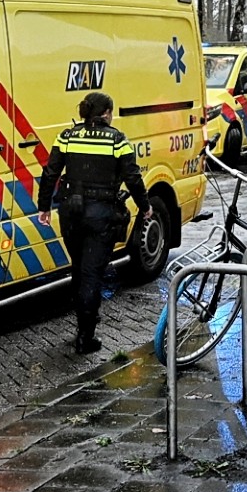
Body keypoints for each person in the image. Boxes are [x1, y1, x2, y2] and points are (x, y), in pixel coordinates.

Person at [37, 91, 149, 354]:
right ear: (106, 113)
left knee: (79, 267)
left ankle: (83, 321)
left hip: (70, 213)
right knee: (91, 273)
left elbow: (50, 171)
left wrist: (44, 206)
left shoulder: (66, 136)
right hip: (101, 215)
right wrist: (145, 207)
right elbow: (132, 177)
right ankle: (85, 337)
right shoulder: (117, 140)